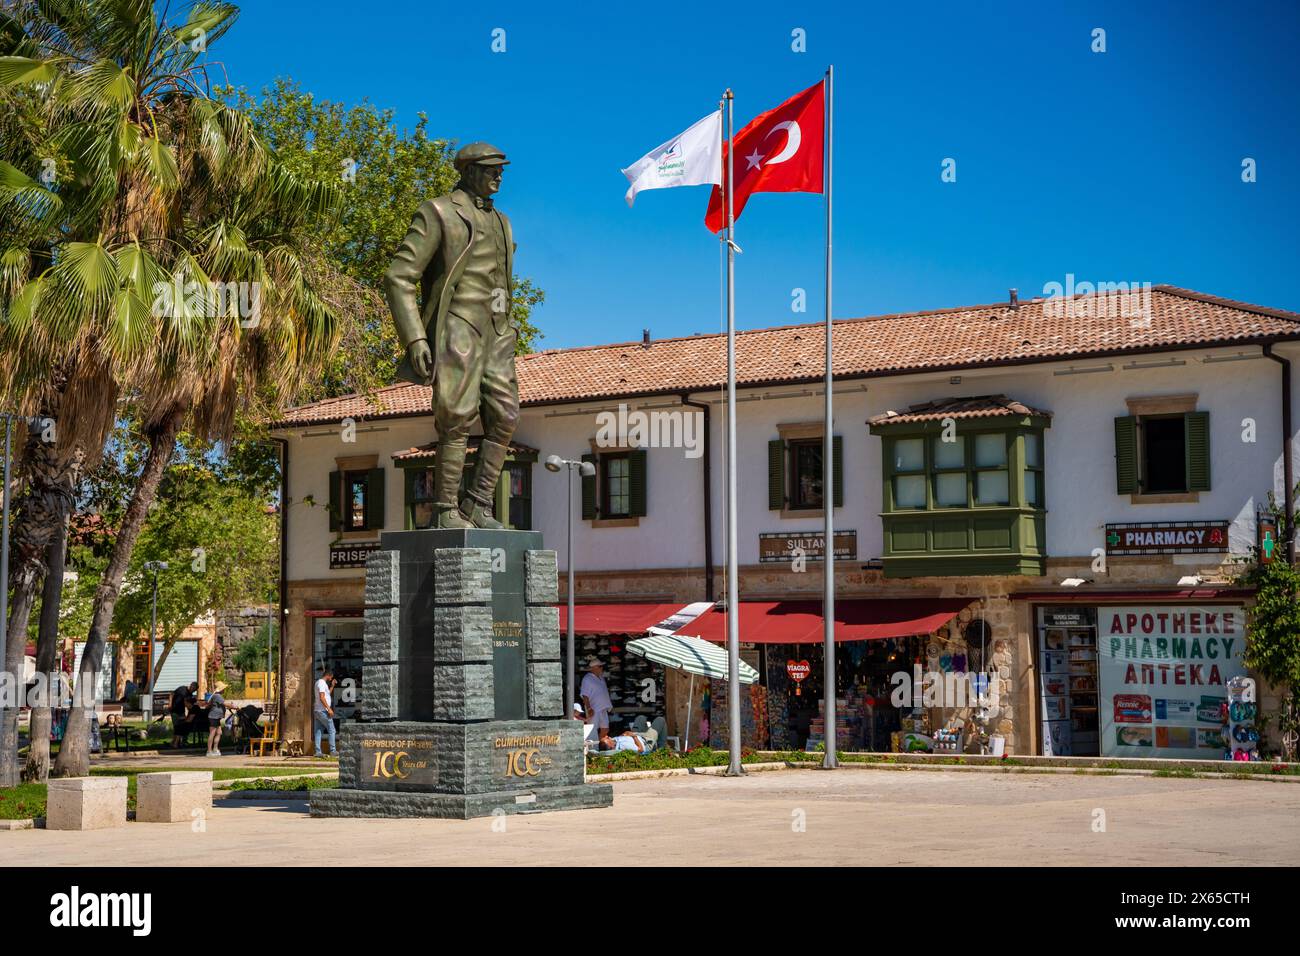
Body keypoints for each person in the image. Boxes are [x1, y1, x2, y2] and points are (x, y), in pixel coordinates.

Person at [580, 657, 612, 741]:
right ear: (594, 668)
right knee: (592, 730)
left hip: (603, 708)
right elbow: (585, 695)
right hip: (594, 709)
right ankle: (592, 749)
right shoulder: (587, 679)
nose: (602, 668)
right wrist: (589, 708)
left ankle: (599, 745)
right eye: (600, 666)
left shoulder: (601, 677)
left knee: (605, 729)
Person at [313, 670, 337, 758]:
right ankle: (333, 751)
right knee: (332, 730)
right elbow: (322, 697)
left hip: (318, 711)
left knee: (318, 731)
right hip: (322, 711)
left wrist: (332, 686)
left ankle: (318, 752)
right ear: (328, 675)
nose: (331, 679)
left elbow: (327, 695)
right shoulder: (322, 683)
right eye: (331, 677)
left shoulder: (321, 683)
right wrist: (329, 709)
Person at [169, 681, 197, 749]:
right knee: (177, 726)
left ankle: (177, 742)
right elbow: (171, 694)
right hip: (174, 710)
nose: (193, 691)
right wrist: (170, 703)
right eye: (193, 689)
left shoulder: (190, 694)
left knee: (180, 727)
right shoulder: (182, 689)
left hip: (181, 711)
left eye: (194, 690)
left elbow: (188, 704)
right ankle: (175, 743)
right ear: (191, 686)